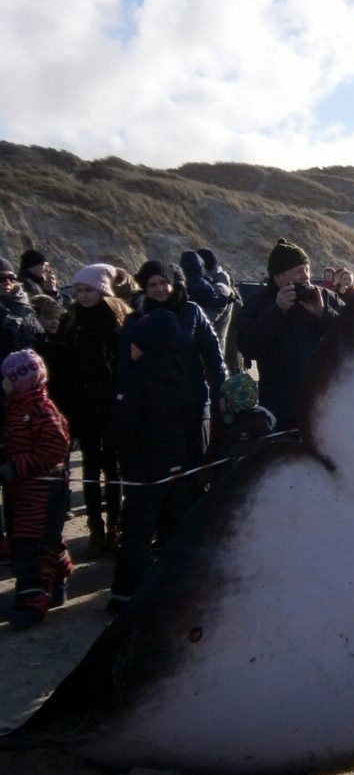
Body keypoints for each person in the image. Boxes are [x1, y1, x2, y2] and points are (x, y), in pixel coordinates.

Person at [105, 310, 195, 616]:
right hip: (176, 462)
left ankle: (126, 593)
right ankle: (176, 585)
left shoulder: (136, 378)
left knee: (137, 528)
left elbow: (123, 426)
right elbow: (190, 417)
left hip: (144, 467)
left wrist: (112, 440)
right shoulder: (182, 372)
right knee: (174, 525)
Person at [119, 261, 227, 474]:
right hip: (154, 408)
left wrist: (221, 392)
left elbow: (214, 356)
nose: (159, 289)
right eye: (152, 284)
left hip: (194, 401)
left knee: (197, 468)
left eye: (163, 282)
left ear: (173, 284)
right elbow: (126, 363)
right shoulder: (136, 318)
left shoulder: (191, 311)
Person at [59, 263, 130, 558]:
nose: (83, 295)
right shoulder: (71, 319)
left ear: (102, 290)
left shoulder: (119, 317)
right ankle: (95, 529)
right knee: (90, 468)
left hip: (112, 403)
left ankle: (114, 526)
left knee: (113, 469)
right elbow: (64, 364)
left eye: (88, 289)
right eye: (78, 290)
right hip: (84, 405)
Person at [236, 239, 340, 432]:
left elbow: (353, 335)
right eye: (298, 271)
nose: (306, 276)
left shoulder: (324, 298)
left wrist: (323, 314)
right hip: (280, 406)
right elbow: (247, 346)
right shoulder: (259, 303)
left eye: (307, 269)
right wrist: (277, 311)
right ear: (278, 276)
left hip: (325, 401)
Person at [0, 350, 72, 629]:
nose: (3, 382)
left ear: (21, 380)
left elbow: (56, 447)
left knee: (30, 545)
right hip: (22, 489)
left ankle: (32, 605)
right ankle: (59, 576)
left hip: (42, 490)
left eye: (7, 378)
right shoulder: (15, 406)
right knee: (43, 540)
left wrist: (16, 466)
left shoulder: (40, 409)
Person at [205, 372, 276, 483]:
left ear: (233, 400)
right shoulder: (224, 424)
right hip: (224, 483)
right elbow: (213, 457)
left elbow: (270, 448)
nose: (219, 401)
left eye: (222, 398)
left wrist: (241, 449)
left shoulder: (256, 423)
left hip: (247, 483)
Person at [195, 248, 243, 373]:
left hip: (223, 351)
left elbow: (204, 320)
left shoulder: (219, 289)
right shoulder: (217, 286)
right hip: (223, 348)